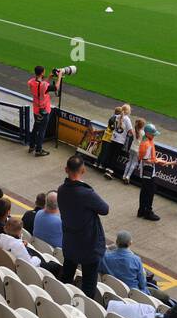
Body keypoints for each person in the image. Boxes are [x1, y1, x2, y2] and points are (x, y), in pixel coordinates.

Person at [57, 155, 109, 300]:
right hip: (88, 246)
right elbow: (105, 209)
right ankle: (82, 315)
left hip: (70, 243)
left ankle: (61, 301)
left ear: (66, 169)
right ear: (83, 170)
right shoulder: (86, 193)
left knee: (66, 276)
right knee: (88, 285)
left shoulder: (61, 190)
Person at [135, 123, 175, 220]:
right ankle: (148, 212)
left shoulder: (145, 140)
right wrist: (157, 161)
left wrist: (156, 159)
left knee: (144, 190)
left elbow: (145, 157)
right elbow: (145, 159)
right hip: (148, 170)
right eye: (152, 134)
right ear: (148, 133)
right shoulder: (147, 144)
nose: (154, 136)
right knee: (150, 191)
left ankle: (141, 210)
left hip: (145, 169)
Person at [100, 228, 150, 295]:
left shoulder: (105, 257)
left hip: (112, 291)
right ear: (130, 243)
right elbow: (142, 284)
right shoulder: (136, 260)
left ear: (116, 242)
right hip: (132, 294)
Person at [26, 65, 60, 157]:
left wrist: (48, 78)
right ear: (42, 73)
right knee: (42, 130)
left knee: (35, 128)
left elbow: (41, 87)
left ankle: (32, 146)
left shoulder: (31, 82)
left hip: (36, 109)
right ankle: (39, 150)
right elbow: (56, 87)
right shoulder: (44, 85)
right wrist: (60, 76)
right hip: (44, 110)